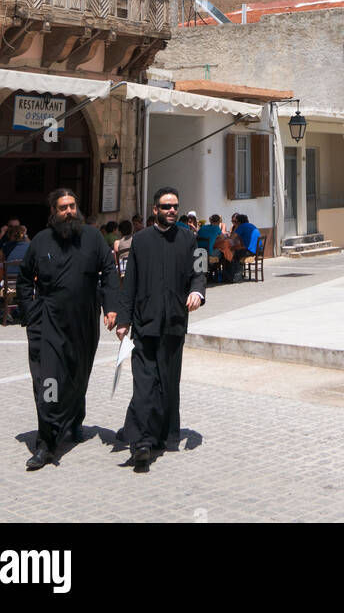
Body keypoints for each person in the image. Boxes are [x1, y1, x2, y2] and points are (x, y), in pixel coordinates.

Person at [16, 188, 118, 470]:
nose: (69, 211)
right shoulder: (41, 241)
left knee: (78, 372)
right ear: (54, 212)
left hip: (84, 318)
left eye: (72, 205)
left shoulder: (93, 237)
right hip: (48, 320)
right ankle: (46, 443)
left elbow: (109, 270)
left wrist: (111, 307)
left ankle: (74, 422)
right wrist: (31, 312)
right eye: (63, 207)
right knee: (47, 380)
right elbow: (24, 279)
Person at [115, 186, 206, 472]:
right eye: (166, 206)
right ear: (155, 209)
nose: (171, 211)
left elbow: (199, 272)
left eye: (175, 206)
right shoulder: (140, 241)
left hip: (174, 324)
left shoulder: (189, 238)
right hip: (145, 324)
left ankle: (166, 435)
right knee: (144, 384)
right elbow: (129, 282)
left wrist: (197, 292)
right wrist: (124, 320)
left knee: (168, 382)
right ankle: (141, 443)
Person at [223, 213, 260, 283]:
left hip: (250, 250)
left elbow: (232, 238)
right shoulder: (251, 225)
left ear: (239, 222)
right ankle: (236, 275)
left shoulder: (241, 227)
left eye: (235, 222)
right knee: (236, 252)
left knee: (232, 255)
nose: (234, 223)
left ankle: (234, 276)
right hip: (258, 250)